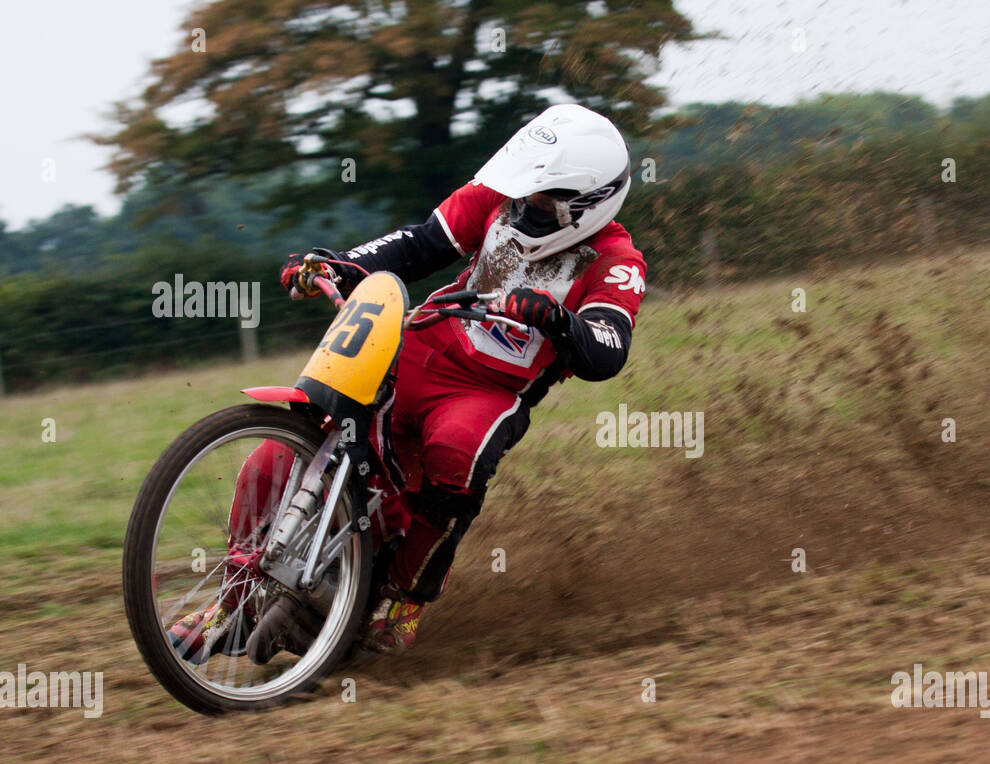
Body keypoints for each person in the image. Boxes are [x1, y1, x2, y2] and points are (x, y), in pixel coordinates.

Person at [169, 103, 646, 658]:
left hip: (486, 392)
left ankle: (403, 598)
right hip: (416, 342)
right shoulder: (496, 199)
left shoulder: (617, 259)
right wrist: (342, 264)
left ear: (585, 205)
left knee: (456, 450)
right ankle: (232, 596)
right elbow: (420, 244)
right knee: (283, 450)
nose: (523, 206)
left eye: (541, 200)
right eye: (523, 191)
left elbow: (607, 349)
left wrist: (556, 318)